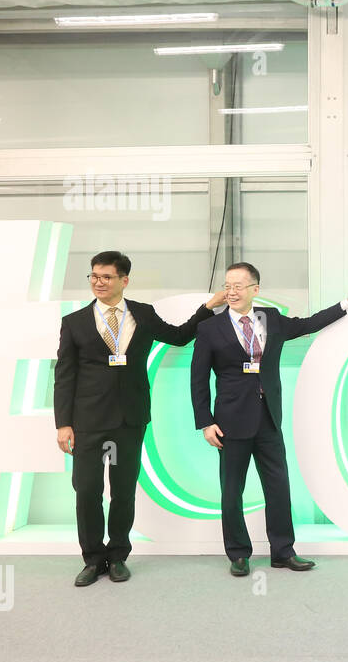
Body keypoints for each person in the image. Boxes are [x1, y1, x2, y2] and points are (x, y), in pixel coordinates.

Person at [55, 251, 226, 587]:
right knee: (87, 490)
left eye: (106, 277)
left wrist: (206, 309)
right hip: (88, 423)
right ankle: (92, 559)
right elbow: (65, 375)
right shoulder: (74, 322)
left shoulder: (143, 315)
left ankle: (118, 556)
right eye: (93, 276)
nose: (98, 283)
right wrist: (63, 423)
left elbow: (178, 336)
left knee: (122, 490)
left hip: (128, 421)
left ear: (124, 280)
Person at [191, 262, 348, 575]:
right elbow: (198, 377)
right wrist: (205, 421)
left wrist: (347, 303)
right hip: (230, 422)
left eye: (238, 286)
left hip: (268, 419)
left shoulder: (270, 319)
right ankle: (238, 554)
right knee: (232, 490)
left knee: (278, 487)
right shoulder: (210, 328)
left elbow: (307, 324)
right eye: (228, 286)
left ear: (255, 290)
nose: (231, 292)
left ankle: (283, 551)